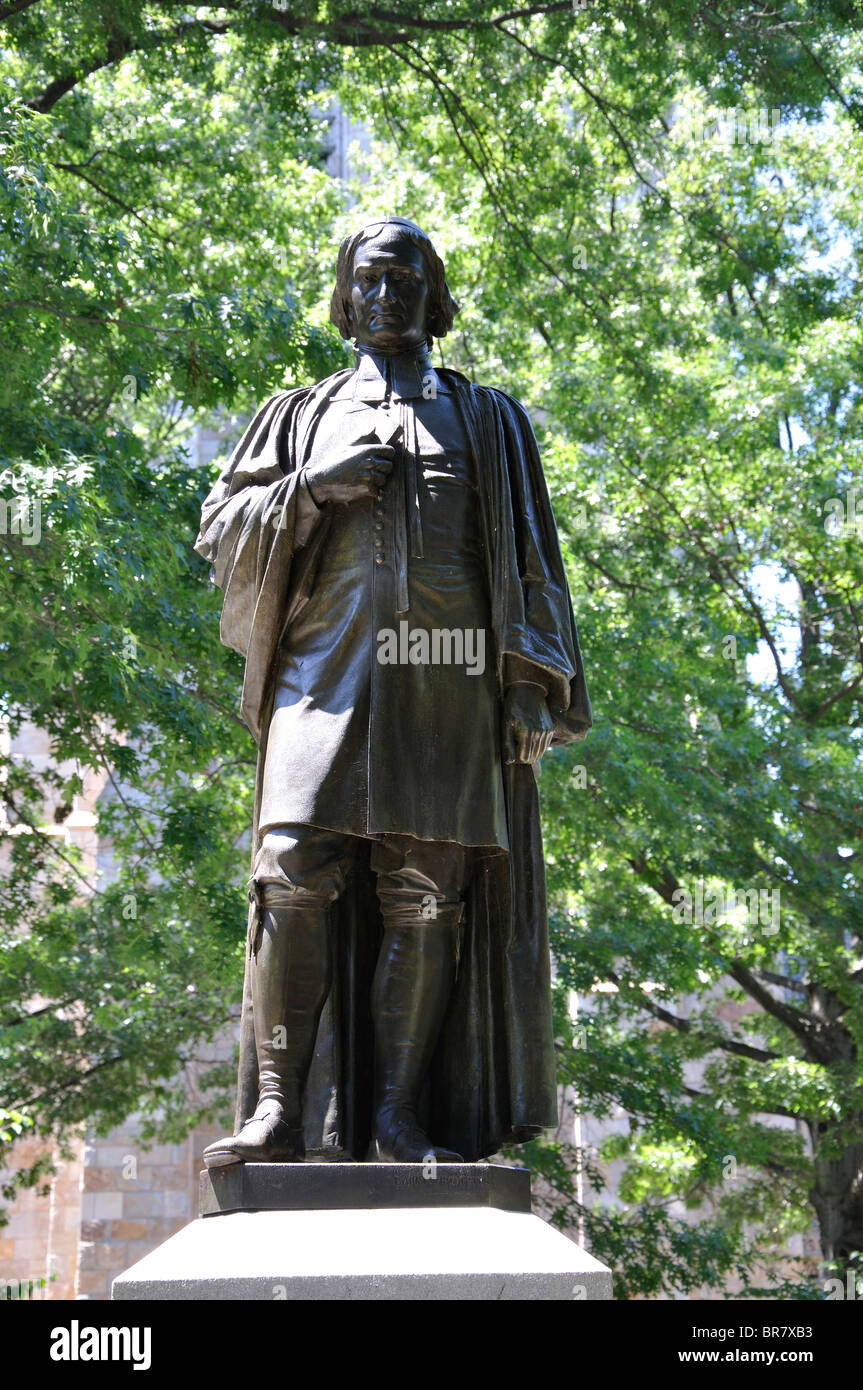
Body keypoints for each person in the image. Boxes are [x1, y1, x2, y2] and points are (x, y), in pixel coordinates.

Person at [195, 217, 591, 1166]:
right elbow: (220, 528)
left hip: (447, 680)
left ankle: (396, 1117)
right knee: (288, 870)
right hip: (319, 676)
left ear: (433, 296)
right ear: (344, 295)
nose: (385, 295)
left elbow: (533, 561)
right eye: (368, 279)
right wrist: (308, 489)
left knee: (424, 896)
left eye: (405, 278)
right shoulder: (300, 415)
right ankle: (279, 1112)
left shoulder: (488, 419)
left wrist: (530, 686)